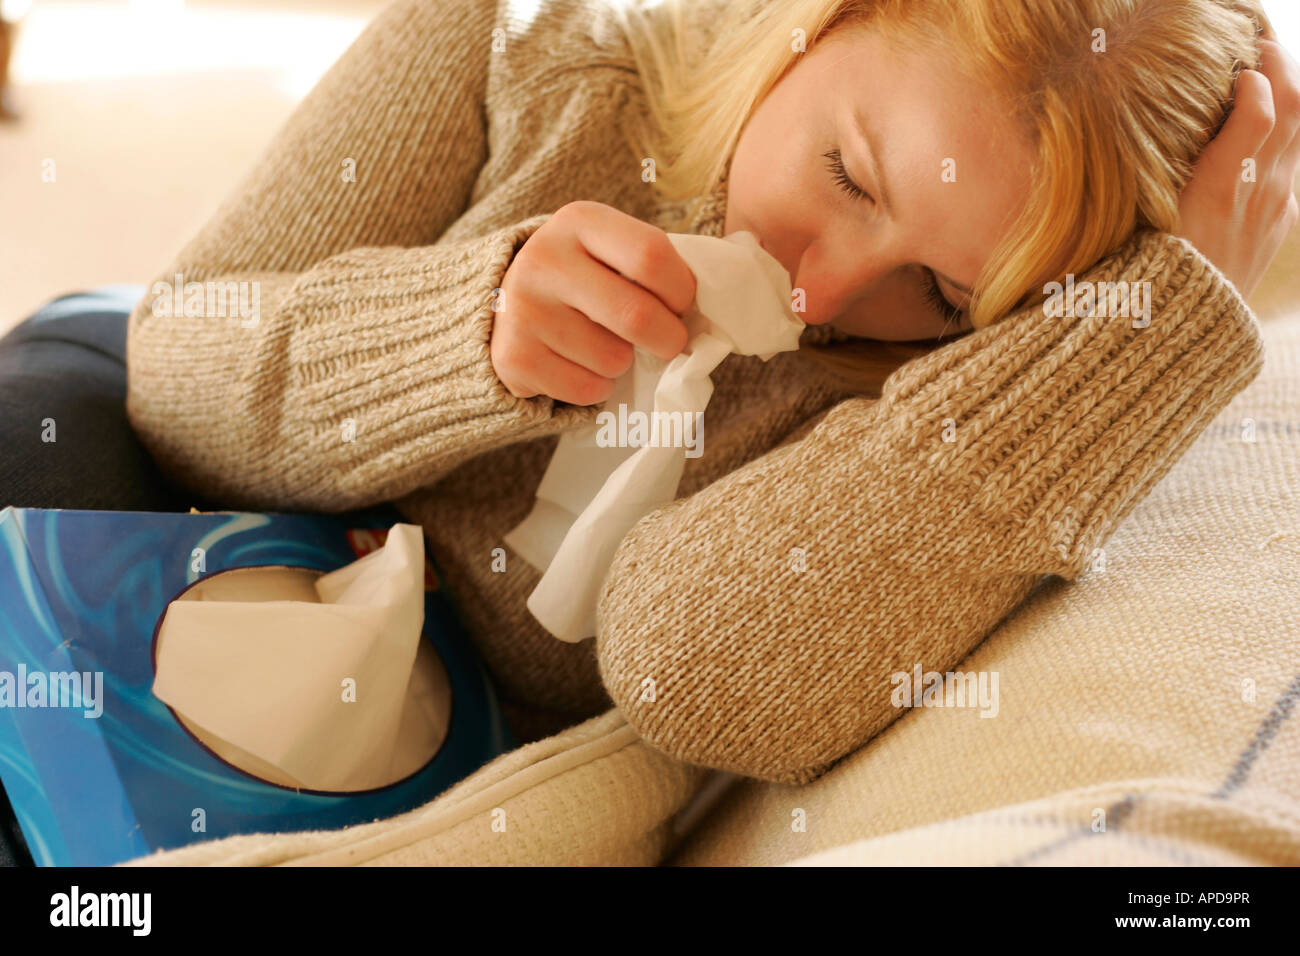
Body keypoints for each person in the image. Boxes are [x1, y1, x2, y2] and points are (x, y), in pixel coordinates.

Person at [2, 0, 1297, 864]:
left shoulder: (941, 398)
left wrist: (1147, 343)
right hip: (164, 418)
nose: (826, 291)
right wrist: (470, 329)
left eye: (946, 293)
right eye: (850, 173)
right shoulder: (530, 53)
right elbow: (176, 382)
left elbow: (695, 672)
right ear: (813, 22)